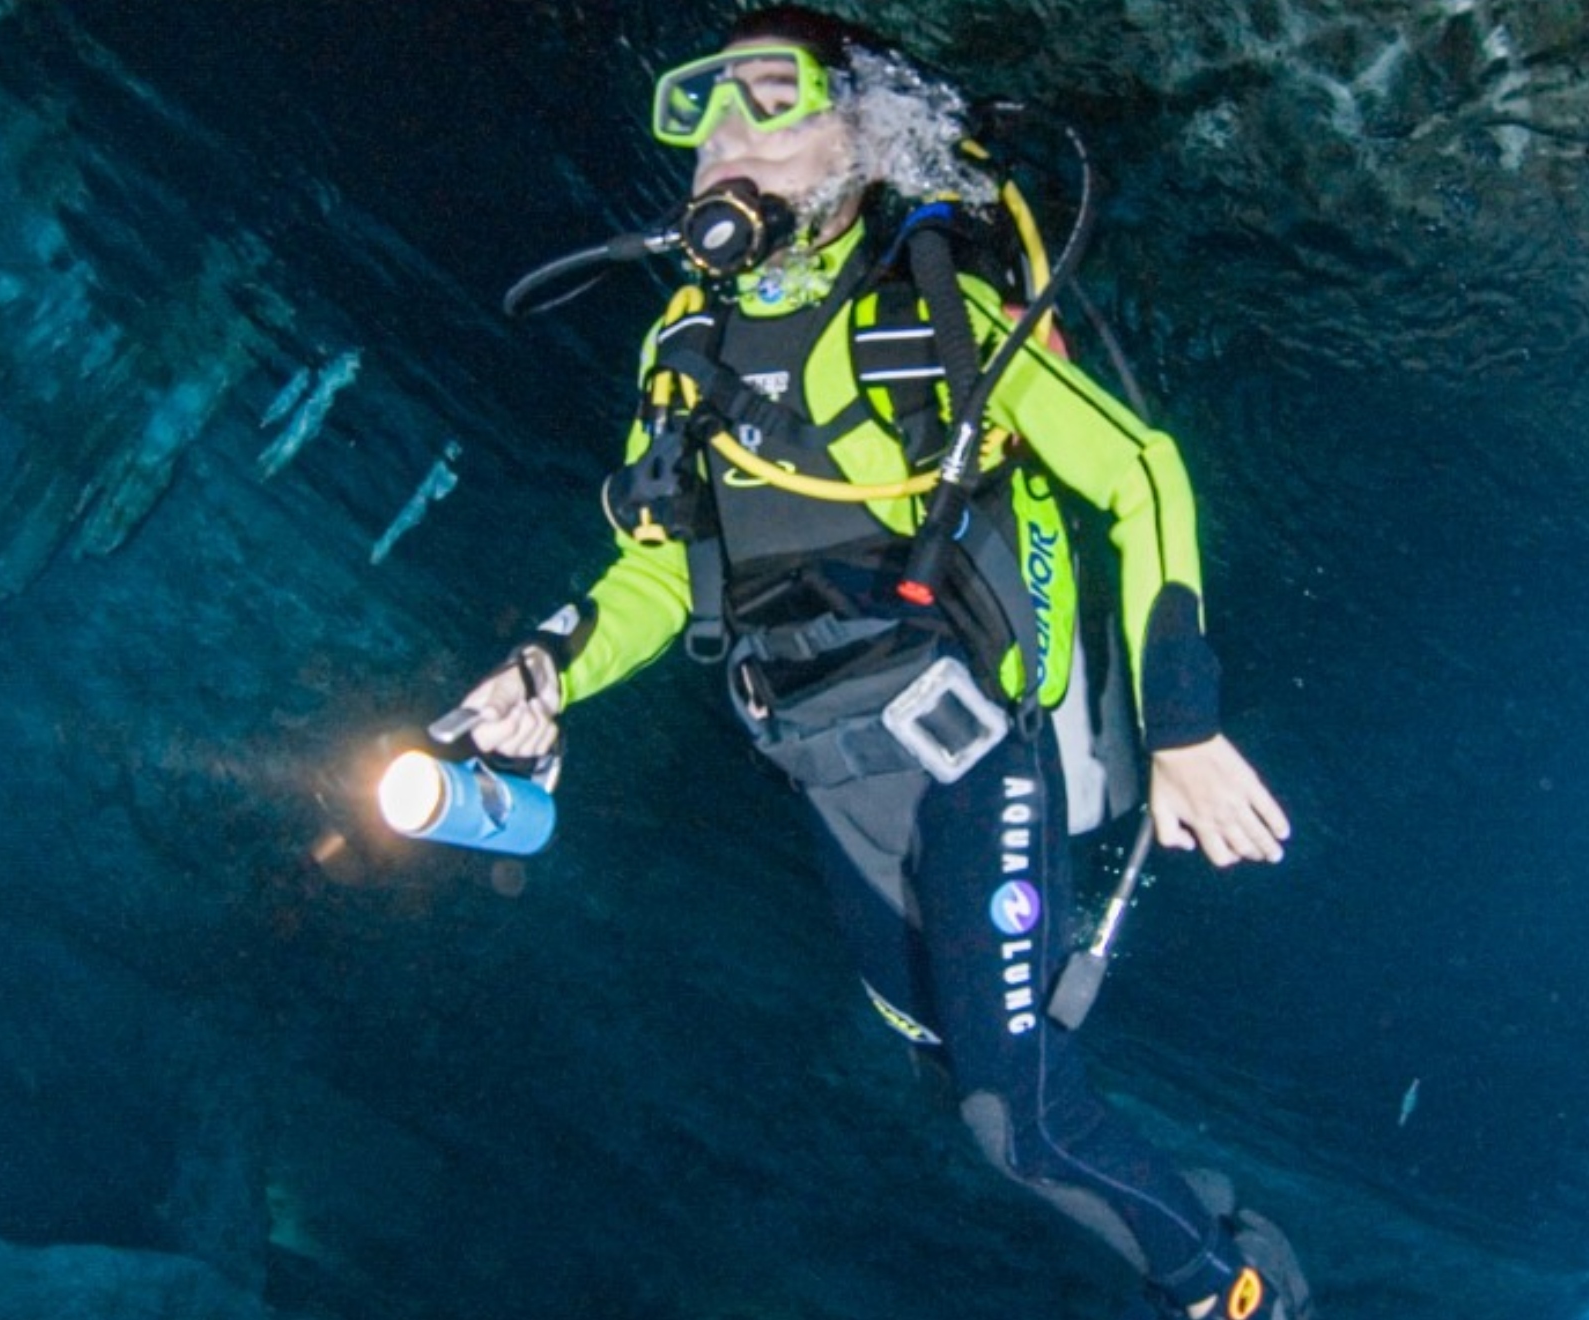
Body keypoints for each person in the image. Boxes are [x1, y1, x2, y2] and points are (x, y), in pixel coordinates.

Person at [455, 7, 1308, 1317]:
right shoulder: (678, 349)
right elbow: (661, 568)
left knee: (1008, 1114)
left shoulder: (937, 312)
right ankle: (1196, 1210)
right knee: (945, 1062)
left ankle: (1238, 1292)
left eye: (772, 104)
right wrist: (549, 668)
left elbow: (1141, 472)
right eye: (706, 114)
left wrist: (1181, 721)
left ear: (866, 138)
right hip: (826, 785)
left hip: (969, 759)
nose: (726, 137)